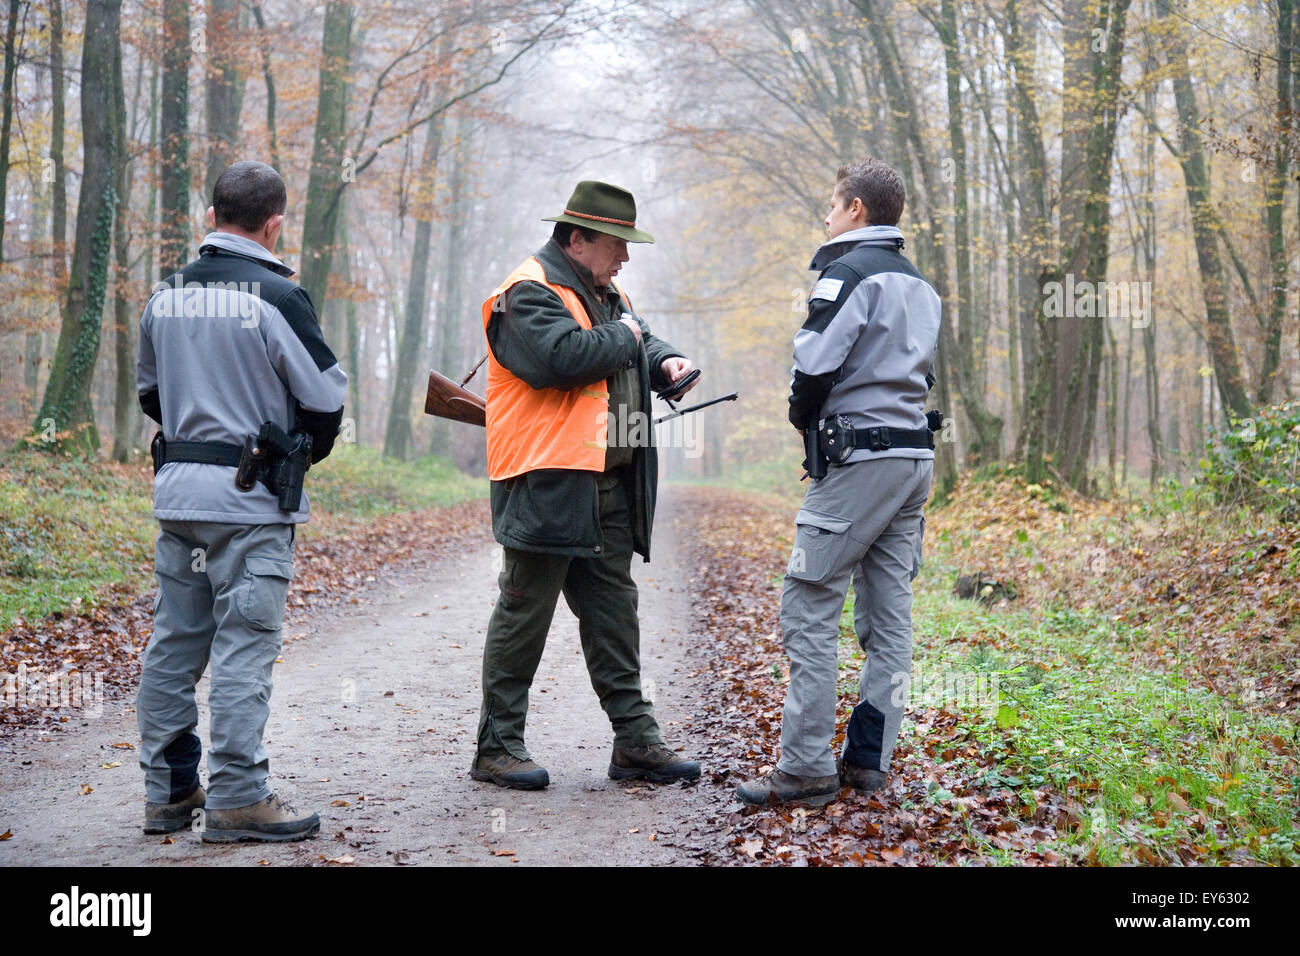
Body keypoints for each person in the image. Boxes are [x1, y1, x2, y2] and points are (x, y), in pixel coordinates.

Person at [135, 160, 347, 841]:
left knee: (174, 645)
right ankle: (237, 798)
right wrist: (294, 453)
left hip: (179, 497)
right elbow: (326, 398)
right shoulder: (277, 298)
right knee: (242, 648)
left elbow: (150, 395)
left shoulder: (164, 295)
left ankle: (168, 795)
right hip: (250, 504)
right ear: (274, 223)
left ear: (211, 216)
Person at [471, 179, 702, 790]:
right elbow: (561, 359)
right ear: (577, 240)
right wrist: (628, 338)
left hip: (608, 487)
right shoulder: (526, 293)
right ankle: (496, 748)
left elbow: (638, 338)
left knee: (614, 617)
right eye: (615, 244)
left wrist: (666, 361)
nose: (624, 257)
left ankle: (636, 744)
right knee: (524, 614)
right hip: (546, 483)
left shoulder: (605, 290)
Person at [737, 159, 941, 807]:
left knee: (808, 600)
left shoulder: (846, 273)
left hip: (862, 460)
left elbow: (815, 363)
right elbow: (922, 376)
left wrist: (805, 425)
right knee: (889, 616)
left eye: (832, 204)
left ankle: (804, 770)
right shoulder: (922, 286)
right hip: (914, 460)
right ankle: (868, 762)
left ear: (855, 208)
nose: (826, 216)